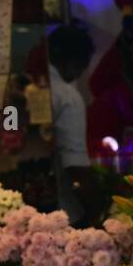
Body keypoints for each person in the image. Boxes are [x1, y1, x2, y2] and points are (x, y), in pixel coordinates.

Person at [47, 22, 97, 224]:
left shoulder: (32, 85)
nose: (79, 75)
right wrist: (96, 213)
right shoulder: (68, 97)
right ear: (73, 63)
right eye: (81, 69)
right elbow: (76, 166)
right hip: (61, 210)